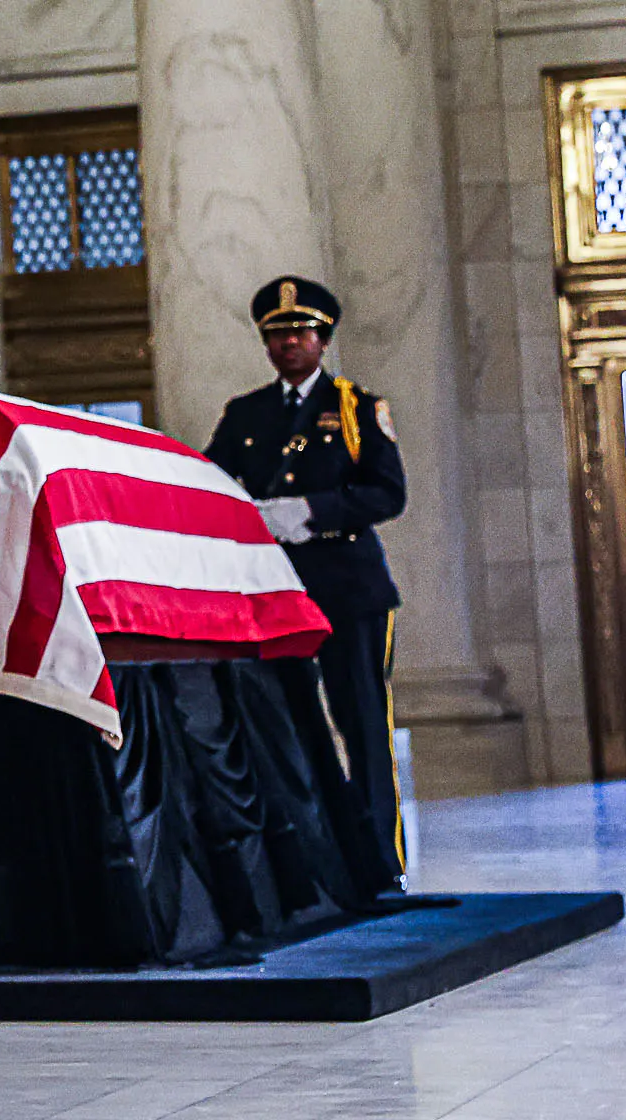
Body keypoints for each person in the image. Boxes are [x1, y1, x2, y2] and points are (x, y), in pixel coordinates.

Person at [203, 276, 408, 891]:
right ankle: (320, 858)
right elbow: (213, 480)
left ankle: (379, 859)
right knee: (289, 723)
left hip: (348, 588)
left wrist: (312, 511)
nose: (289, 343)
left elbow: (387, 493)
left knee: (362, 719)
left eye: (300, 332)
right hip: (275, 590)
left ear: (323, 339)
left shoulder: (356, 408)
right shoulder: (246, 414)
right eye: (277, 334)